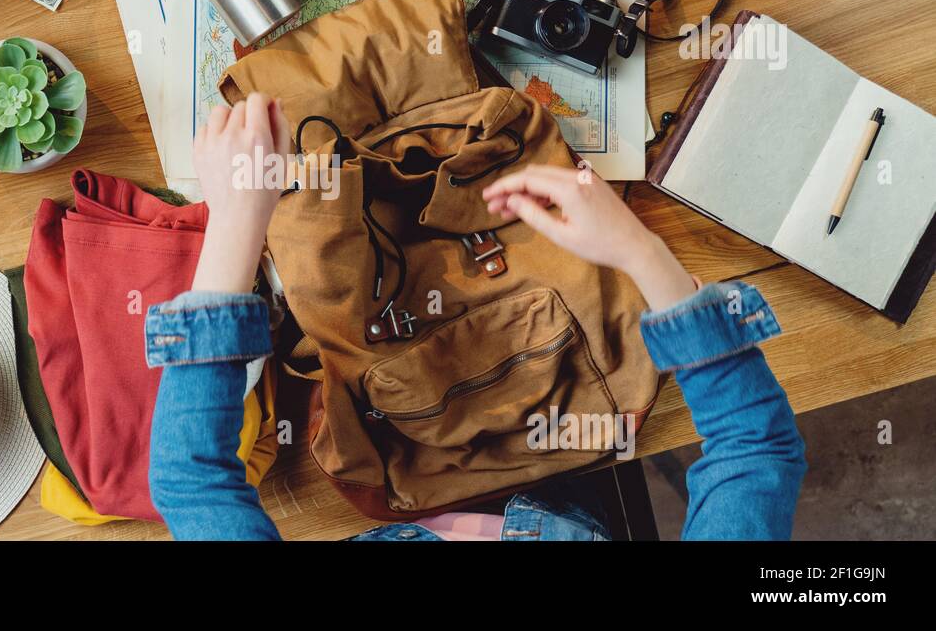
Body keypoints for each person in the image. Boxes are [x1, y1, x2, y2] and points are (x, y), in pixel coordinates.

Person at [145, 93, 806, 541]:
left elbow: (191, 479)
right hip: (562, 499)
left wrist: (236, 220)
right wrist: (640, 252)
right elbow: (753, 447)